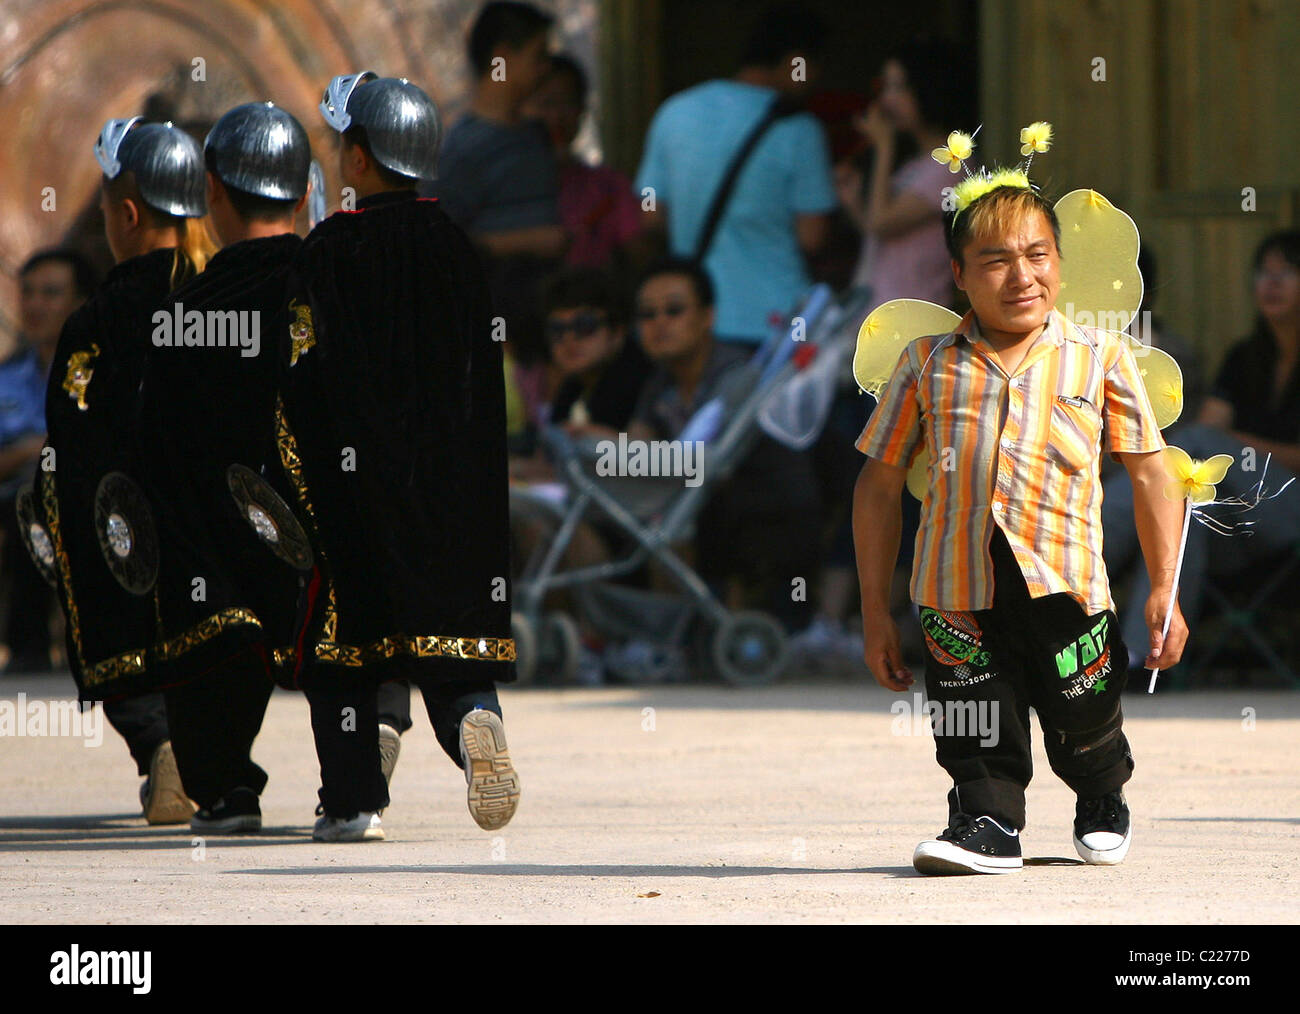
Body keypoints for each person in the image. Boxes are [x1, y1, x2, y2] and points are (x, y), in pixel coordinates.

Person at [852, 156, 1189, 875]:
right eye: (995, 260)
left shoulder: (1100, 358)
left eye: (1037, 255)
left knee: (1083, 714)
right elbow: (877, 488)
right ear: (958, 274)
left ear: (1060, 264)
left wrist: (1164, 588)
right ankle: (985, 821)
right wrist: (876, 611)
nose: (1021, 276)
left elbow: (1152, 472)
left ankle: (1102, 793)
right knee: (973, 718)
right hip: (954, 591)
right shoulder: (925, 364)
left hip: (1066, 586)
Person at [278, 72, 520, 842]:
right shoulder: (455, 245)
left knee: (346, 652)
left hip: (354, 491)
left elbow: (301, 375)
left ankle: (353, 804)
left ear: (357, 159)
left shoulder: (330, 249)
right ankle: (475, 720)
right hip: (454, 493)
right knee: (449, 640)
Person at [134, 102, 312, 834]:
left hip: (220, 548)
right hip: (320, 534)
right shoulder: (326, 287)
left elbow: (156, 442)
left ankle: (227, 790)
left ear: (212, 192)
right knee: (352, 642)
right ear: (305, 196)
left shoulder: (188, 309)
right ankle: (359, 778)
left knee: (211, 634)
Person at [36, 117, 213, 824]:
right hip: (226, 554)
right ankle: (224, 765)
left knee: (54, 497)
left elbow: (70, 438)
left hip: (129, 545)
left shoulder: (99, 318)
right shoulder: (226, 296)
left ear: (128, 214)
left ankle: (159, 745)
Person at [1106, 230, 1300, 672]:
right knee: (1183, 509)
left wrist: (1233, 447)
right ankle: (1141, 658)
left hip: (1290, 511)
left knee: (1193, 444)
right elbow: (1210, 431)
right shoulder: (1245, 357)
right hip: (1241, 521)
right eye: (1263, 273)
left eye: (1286, 272)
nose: (1271, 283)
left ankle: (1089, 547)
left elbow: (1208, 437)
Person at [627, 258, 820, 635]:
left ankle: (681, 637)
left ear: (707, 317)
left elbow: (697, 461)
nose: (659, 322)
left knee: (668, 519)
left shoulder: (738, 376)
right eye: (647, 314)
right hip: (702, 501)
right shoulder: (658, 381)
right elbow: (637, 449)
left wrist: (608, 451)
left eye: (674, 310)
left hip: (760, 513)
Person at [634, 4, 836, 349]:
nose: (813, 79)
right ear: (795, 62)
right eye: (813, 67)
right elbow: (812, 237)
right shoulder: (801, 130)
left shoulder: (674, 112)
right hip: (779, 322)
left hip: (697, 320)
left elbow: (650, 214)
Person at [423, 1, 563, 386]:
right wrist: (523, 242)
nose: (546, 67)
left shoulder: (535, 136)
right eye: (538, 55)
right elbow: (436, 243)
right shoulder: (463, 149)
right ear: (502, 58)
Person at [2, 250, 96, 674]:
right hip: (18, 499)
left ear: (80, 301)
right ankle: (28, 649)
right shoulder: (7, 377)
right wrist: (30, 451)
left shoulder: (104, 370)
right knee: (28, 499)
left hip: (88, 494)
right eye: (29, 293)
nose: (36, 305)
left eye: (52, 293)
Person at [523, 54, 643, 273]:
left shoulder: (610, 186)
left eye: (566, 103)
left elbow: (637, 250)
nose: (556, 117)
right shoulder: (503, 184)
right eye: (545, 104)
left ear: (581, 111)